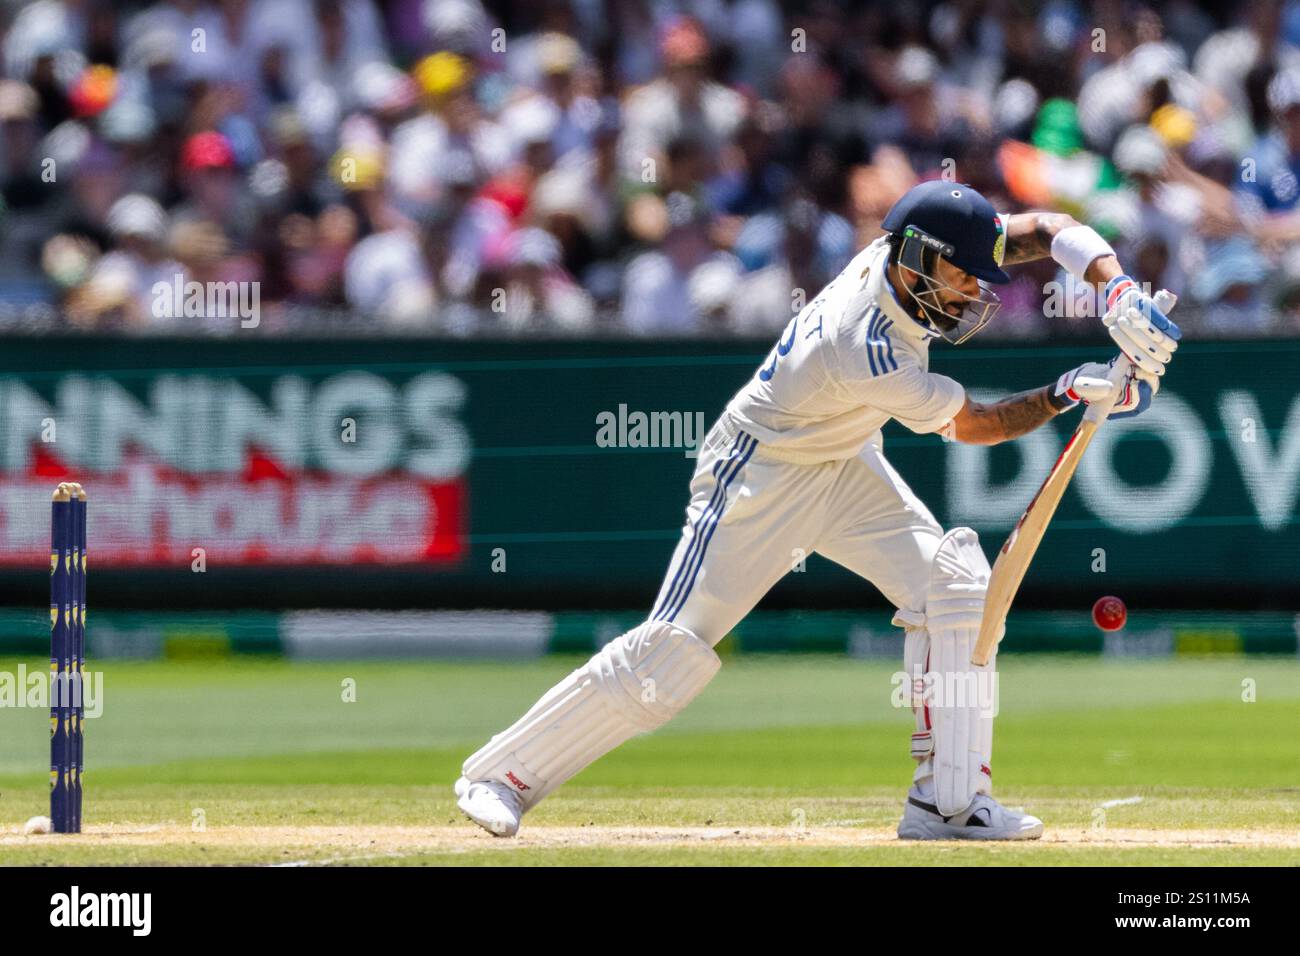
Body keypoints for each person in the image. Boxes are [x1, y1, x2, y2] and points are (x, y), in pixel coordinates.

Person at [454, 181, 1181, 840]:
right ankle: (500, 776)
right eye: (962, 279)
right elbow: (977, 426)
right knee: (670, 655)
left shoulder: (909, 257)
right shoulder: (863, 345)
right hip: (759, 473)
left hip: (846, 462)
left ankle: (949, 805)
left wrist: (1114, 289)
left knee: (955, 585)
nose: (968, 297)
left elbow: (1049, 228)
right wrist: (1069, 392)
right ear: (918, 261)